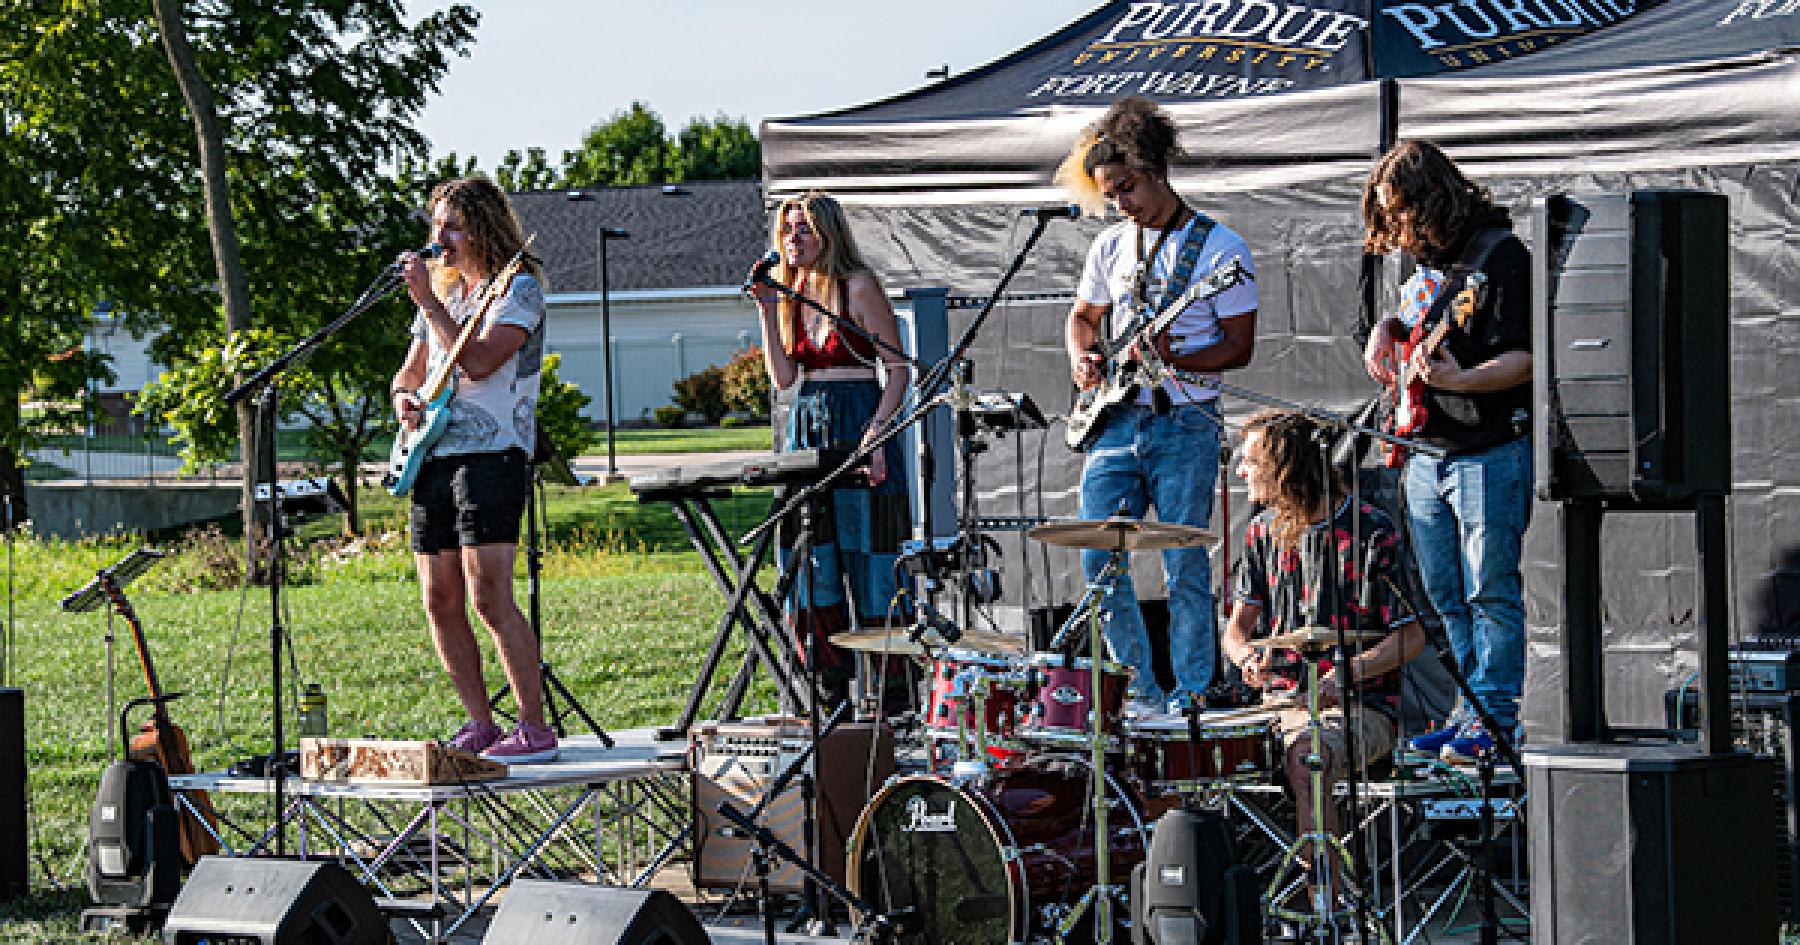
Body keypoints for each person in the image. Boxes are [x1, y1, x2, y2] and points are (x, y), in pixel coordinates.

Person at [1057, 96, 1257, 714]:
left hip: (1184, 423)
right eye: (1111, 193)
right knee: (1099, 562)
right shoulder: (1112, 247)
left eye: (1128, 188)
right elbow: (1083, 317)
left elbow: (1239, 347)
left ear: (1156, 171)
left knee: (1184, 565)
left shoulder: (1220, 248)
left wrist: (1177, 358)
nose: (1121, 203)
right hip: (1115, 422)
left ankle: (1192, 693)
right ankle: (1136, 690)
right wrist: (1083, 357)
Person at [1360, 140, 1533, 764]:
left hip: (1487, 449)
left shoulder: (1500, 255)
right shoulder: (1424, 262)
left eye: (1402, 212)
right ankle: (1467, 711)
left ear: (1434, 199)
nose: (1398, 228)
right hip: (1425, 452)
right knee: (1444, 596)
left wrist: (1460, 380)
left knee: (1490, 589)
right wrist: (1388, 331)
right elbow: (1413, 323)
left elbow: (1527, 358)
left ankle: (1496, 716)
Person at [1219, 410, 1425, 887]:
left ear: (1284, 467)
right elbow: (1235, 632)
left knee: (1307, 754)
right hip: (1279, 702)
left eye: (1250, 461)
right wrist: (1246, 657)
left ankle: (1323, 904)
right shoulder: (1261, 532)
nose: (1240, 471)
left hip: (1360, 707)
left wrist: (1348, 675)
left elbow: (1412, 636)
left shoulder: (1371, 531)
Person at [391, 175, 557, 763]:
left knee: (489, 596)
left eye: (453, 226)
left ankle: (534, 726)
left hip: (493, 455)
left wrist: (432, 306)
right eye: (436, 226)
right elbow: (411, 373)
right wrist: (403, 399)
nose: (441, 239)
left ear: (483, 226)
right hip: (433, 453)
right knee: (439, 598)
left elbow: (483, 362)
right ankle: (480, 721)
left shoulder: (519, 289)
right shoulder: (443, 291)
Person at [747, 191, 911, 707]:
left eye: (805, 229)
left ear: (829, 234)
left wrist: (877, 436)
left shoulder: (856, 287)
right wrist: (768, 313)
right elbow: (784, 378)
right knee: (812, 564)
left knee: (874, 565)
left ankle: (892, 700)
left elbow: (899, 369)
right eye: (788, 229)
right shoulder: (792, 292)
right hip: (808, 427)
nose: (793, 239)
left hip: (859, 419)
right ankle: (829, 696)